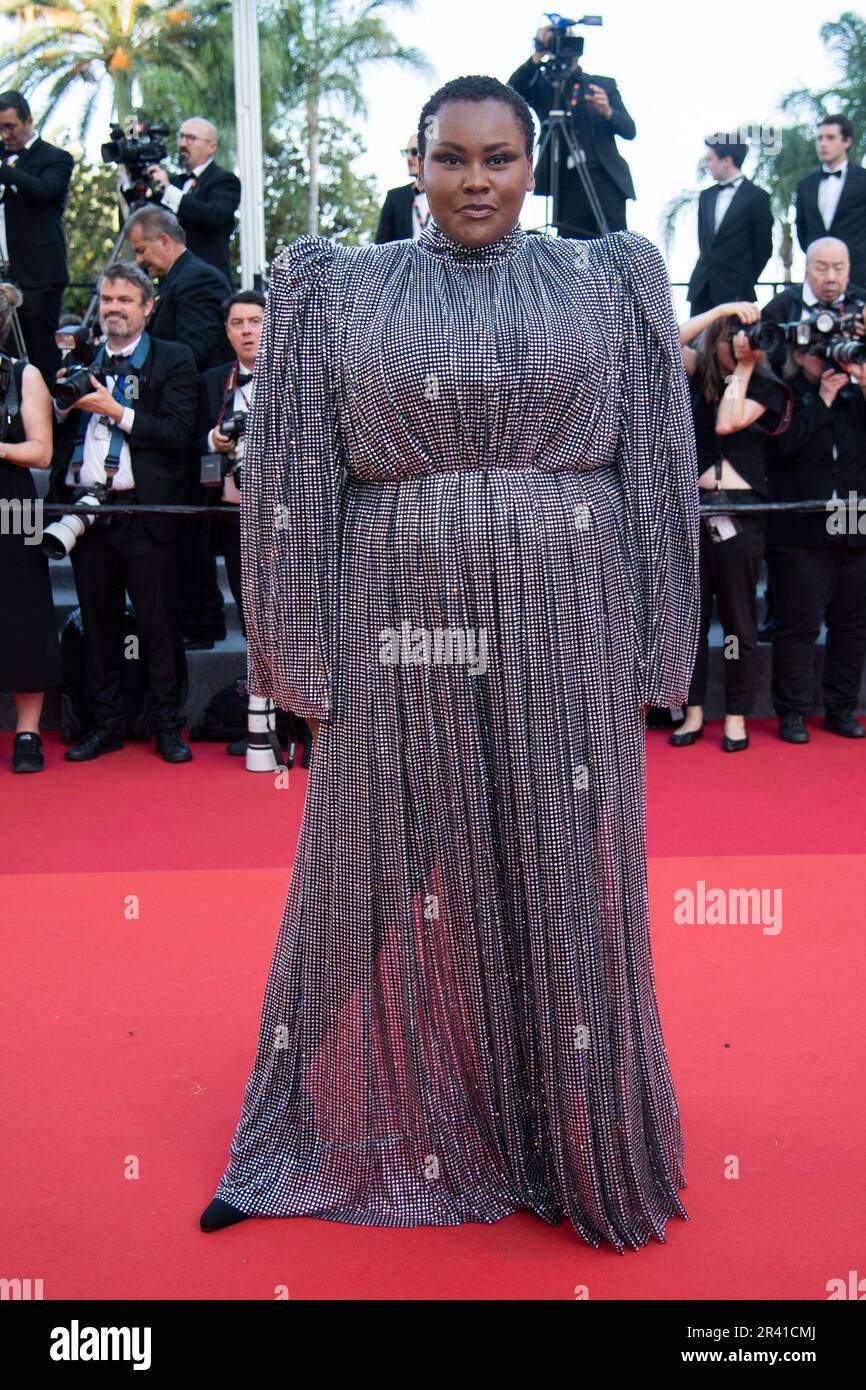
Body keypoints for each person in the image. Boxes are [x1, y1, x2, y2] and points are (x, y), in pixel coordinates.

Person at [199, 75, 700, 1252]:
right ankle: (288, 1133)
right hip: (394, 607)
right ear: (413, 162)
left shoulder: (604, 277)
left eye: (499, 158)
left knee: (558, 862)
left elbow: (657, 464)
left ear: (531, 164)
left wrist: (660, 637)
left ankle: (570, 1130)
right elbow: (292, 478)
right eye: (451, 158)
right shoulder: (341, 288)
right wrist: (296, 651)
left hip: (567, 607)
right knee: (362, 864)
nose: (475, 181)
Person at [46, 261, 200, 763]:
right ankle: (103, 723)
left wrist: (118, 411)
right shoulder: (81, 359)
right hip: (87, 512)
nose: (113, 308)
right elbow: (57, 431)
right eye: (107, 299)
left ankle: (168, 726)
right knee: (98, 623)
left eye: (124, 300)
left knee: (159, 626)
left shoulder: (173, 359)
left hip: (145, 511)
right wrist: (61, 403)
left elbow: (179, 433)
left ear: (147, 308)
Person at [672, 301, 792, 752]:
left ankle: (737, 713)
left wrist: (743, 366)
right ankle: (694, 710)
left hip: (741, 515)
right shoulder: (694, 373)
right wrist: (721, 309)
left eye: (749, 335)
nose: (742, 342)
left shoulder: (765, 384)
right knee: (692, 621)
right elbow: (669, 338)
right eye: (733, 336)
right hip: (694, 513)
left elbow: (727, 421)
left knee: (740, 623)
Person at [763, 341, 866, 743]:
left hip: (855, 521)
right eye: (816, 352)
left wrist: (859, 376)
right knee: (799, 626)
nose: (826, 361)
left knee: (853, 626)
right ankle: (792, 712)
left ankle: (841, 709)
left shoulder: (857, 395)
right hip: (802, 531)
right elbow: (784, 446)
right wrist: (822, 398)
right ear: (799, 354)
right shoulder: (787, 393)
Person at [0, 282, 59, 772]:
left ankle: (27, 734)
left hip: (11, 509)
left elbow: (41, 451)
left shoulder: (24, 375)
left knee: (23, 612)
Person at [508, 24, 636, 237]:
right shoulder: (544, 85)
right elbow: (511, 92)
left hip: (605, 178)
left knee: (614, 247)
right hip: (565, 182)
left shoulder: (601, 85)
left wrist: (607, 112)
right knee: (570, 252)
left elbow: (629, 130)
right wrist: (540, 51)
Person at [0, 89, 74, 382]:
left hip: (40, 272)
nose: (5, 135)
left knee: (40, 348)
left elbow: (46, 191)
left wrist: (5, 172)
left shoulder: (55, 157)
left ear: (28, 120)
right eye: (0, 128)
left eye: (10, 126)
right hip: (6, 269)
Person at [126, 205, 230, 370]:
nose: (138, 260)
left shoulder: (199, 279)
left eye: (141, 250)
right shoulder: (176, 279)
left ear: (165, 241)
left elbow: (192, 351)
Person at [143, 116, 240, 285]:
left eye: (191, 138)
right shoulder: (175, 183)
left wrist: (168, 191)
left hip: (207, 283)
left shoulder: (225, 180)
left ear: (212, 147)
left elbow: (214, 215)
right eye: (181, 137)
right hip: (171, 283)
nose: (182, 143)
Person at [687, 137, 774, 315]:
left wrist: (743, 279)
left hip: (736, 292)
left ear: (726, 161)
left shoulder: (757, 197)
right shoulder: (706, 196)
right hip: (702, 288)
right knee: (693, 343)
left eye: (710, 159)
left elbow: (763, 248)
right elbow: (704, 242)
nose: (707, 164)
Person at [795, 115, 866, 289]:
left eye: (830, 137)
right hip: (815, 281)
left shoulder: (864, 180)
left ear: (847, 141)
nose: (823, 144)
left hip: (859, 277)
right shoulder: (805, 185)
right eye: (819, 138)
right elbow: (802, 230)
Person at [374, 132, 431, 242]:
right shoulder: (395, 197)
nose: (409, 158)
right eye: (406, 152)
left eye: (414, 152)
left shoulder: (448, 194)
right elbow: (381, 246)